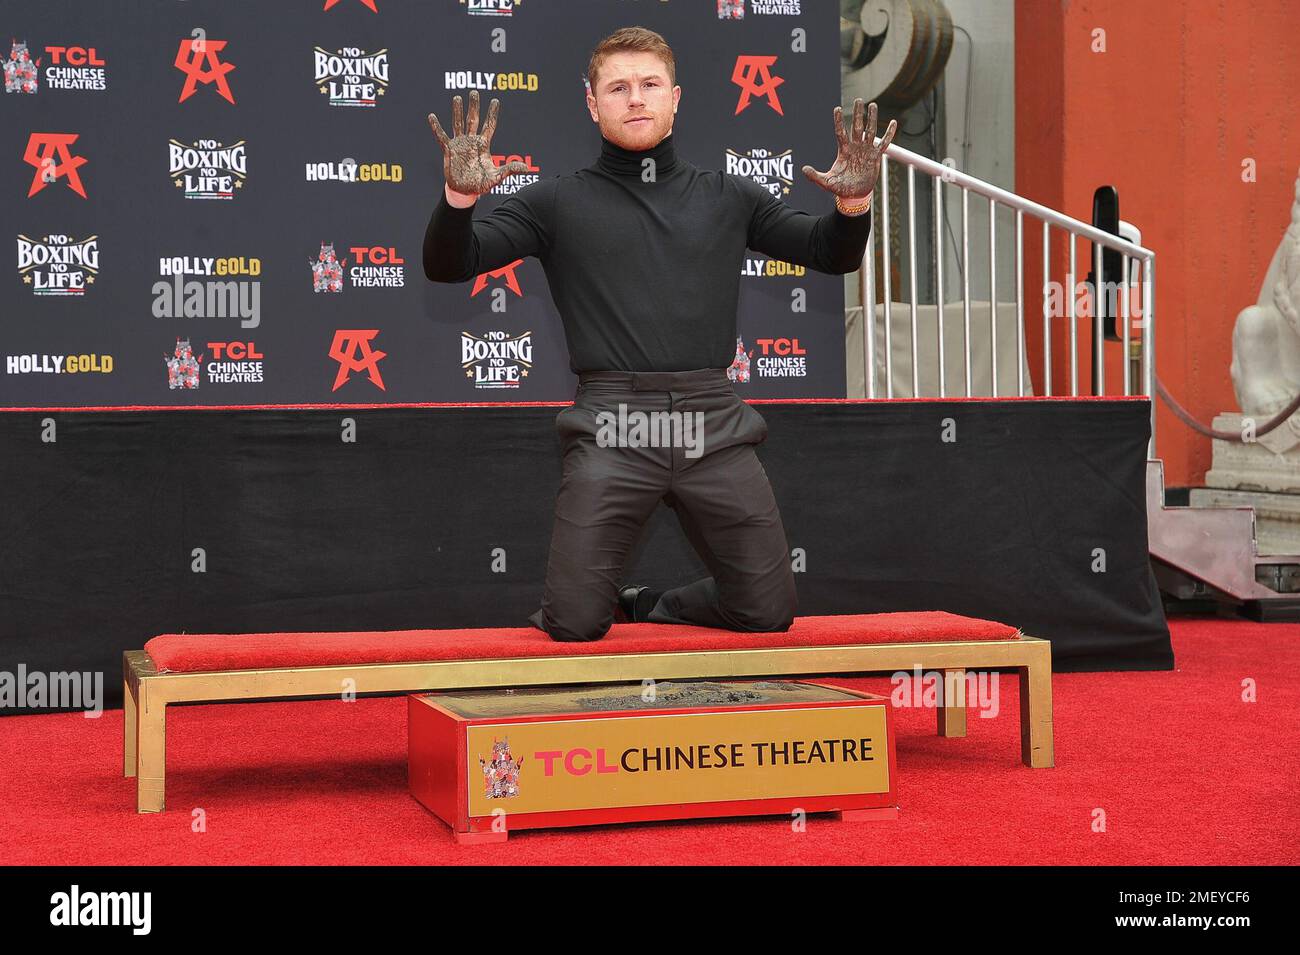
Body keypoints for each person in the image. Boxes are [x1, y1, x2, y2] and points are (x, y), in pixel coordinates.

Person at [423, 26, 895, 643]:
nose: (636, 98)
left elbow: (828, 253)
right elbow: (448, 265)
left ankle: (651, 604)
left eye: (649, 84)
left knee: (767, 611)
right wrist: (460, 198)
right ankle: (598, 604)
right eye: (618, 88)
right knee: (574, 623)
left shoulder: (731, 196)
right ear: (593, 105)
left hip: (714, 424)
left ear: (677, 97)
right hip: (612, 424)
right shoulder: (554, 202)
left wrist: (853, 205)